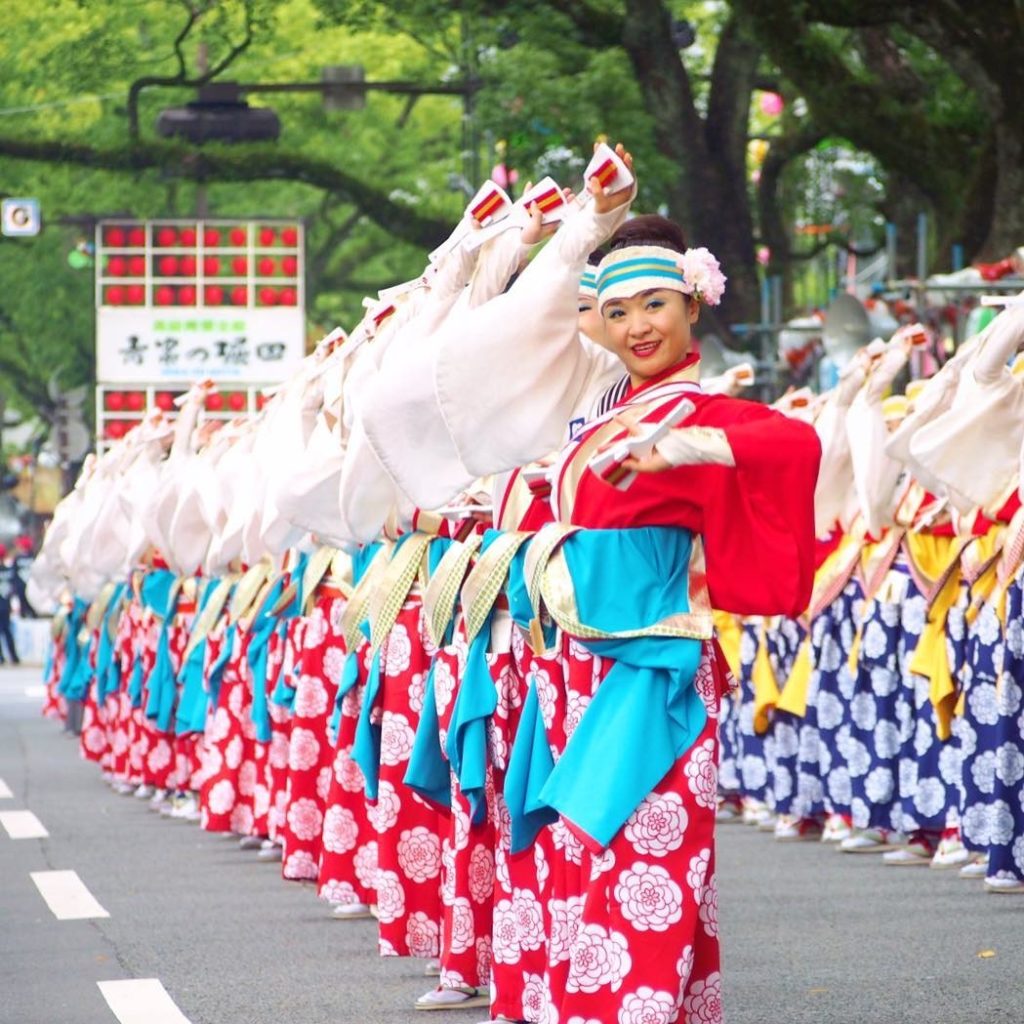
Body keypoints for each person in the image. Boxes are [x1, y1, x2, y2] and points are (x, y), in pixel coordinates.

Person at [0, 543, 21, 664]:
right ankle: (13, 657)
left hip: (3, 605)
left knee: (5, 632)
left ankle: (2, 657)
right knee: (7, 632)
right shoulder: (9, 570)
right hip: (6, 606)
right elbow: (14, 587)